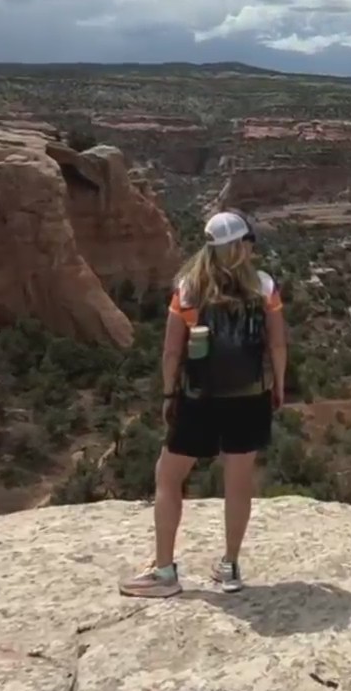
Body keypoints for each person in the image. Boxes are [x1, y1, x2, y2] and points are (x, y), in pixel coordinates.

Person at [120, 210, 287, 598]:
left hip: (199, 399)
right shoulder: (264, 286)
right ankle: (229, 567)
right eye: (249, 242)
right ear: (242, 245)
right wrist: (278, 386)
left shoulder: (188, 287)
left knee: (168, 476)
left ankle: (164, 573)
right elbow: (277, 344)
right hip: (250, 396)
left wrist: (168, 394)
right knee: (238, 480)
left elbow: (170, 351)